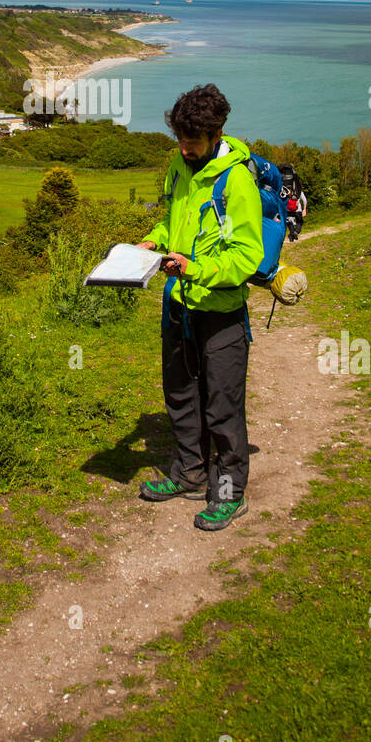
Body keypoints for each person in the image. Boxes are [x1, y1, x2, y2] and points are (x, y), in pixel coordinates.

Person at [136, 84, 264, 531]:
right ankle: (189, 473)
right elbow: (175, 218)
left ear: (217, 133)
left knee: (222, 405)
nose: (184, 149)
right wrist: (155, 239)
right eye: (180, 139)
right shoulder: (179, 165)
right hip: (179, 304)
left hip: (220, 309)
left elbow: (246, 257)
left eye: (192, 142)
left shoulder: (238, 181)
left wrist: (195, 269)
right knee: (180, 393)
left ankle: (228, 493)